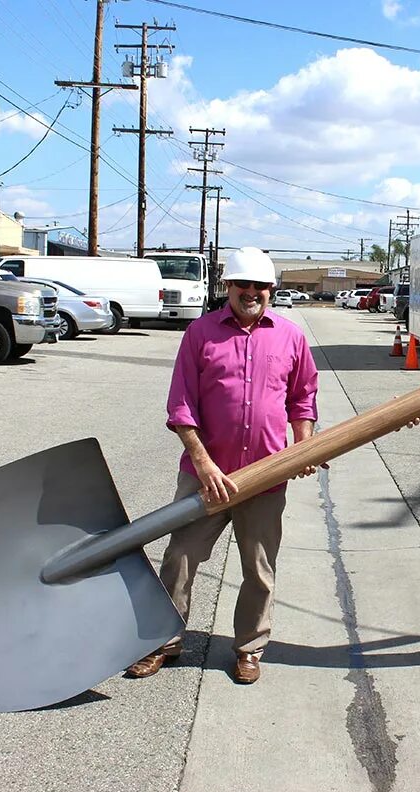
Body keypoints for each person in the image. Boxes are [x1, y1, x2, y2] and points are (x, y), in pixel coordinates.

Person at [125, 247, 320, 685]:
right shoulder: (200, 333)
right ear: (227, 286)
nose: (251, 292)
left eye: (260, 286)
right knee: (180, 557)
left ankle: (249, 648)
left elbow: (302, 396)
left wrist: (303, 445)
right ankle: (162, 641)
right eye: (242, 285)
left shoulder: (290, 337)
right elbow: (181, 404)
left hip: (266, 477)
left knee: (259, 568)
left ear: (271, 289)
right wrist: (204, 463)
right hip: (205, 477)